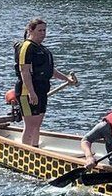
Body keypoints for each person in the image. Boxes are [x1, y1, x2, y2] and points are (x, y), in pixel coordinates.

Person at [13, 18, 76, 147]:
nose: (43, 33)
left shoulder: (42, 49)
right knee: (30, 125)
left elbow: (49, 70)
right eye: (40, 30)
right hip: (27, 92)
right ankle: (26, 152)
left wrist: (66, 79)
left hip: (42, 90)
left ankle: (35, 147)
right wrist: (31, 92)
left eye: (44, 30)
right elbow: (24, 71)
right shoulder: (27, 47)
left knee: (37, 124)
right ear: (31, 30)